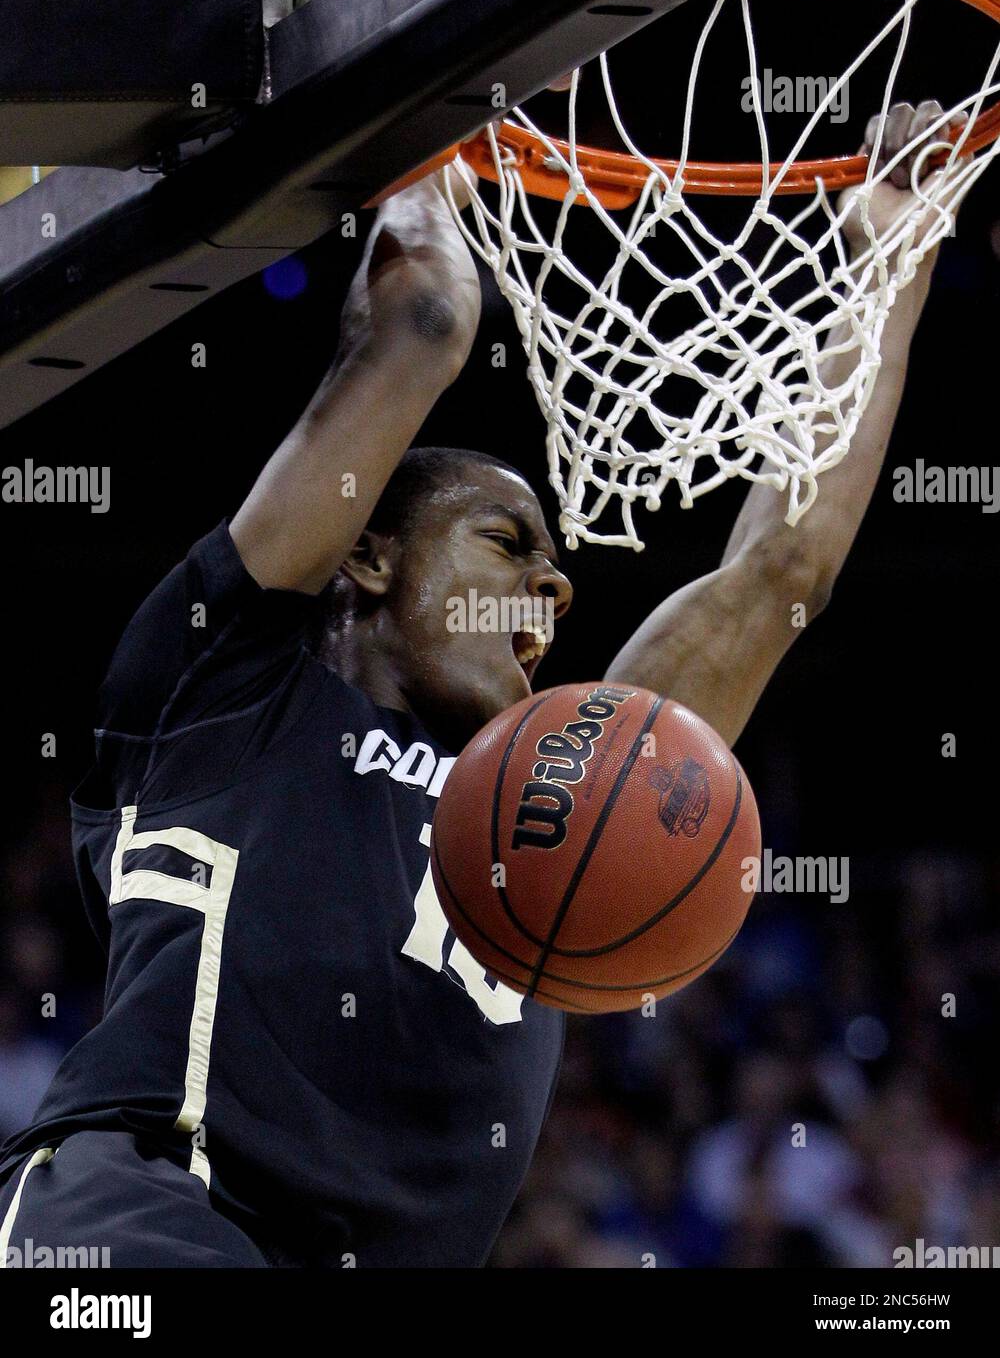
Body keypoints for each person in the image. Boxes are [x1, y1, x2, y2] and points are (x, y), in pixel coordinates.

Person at [0, 101, 961, 1268]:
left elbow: (779, 571)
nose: (552, 587)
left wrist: (888, 252)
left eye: (557, 566)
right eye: (509, 541)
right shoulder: (221, 687)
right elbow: (420, 319)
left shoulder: (571, 789)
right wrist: (430, 106)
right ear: (366, 553)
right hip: (142, 1220)